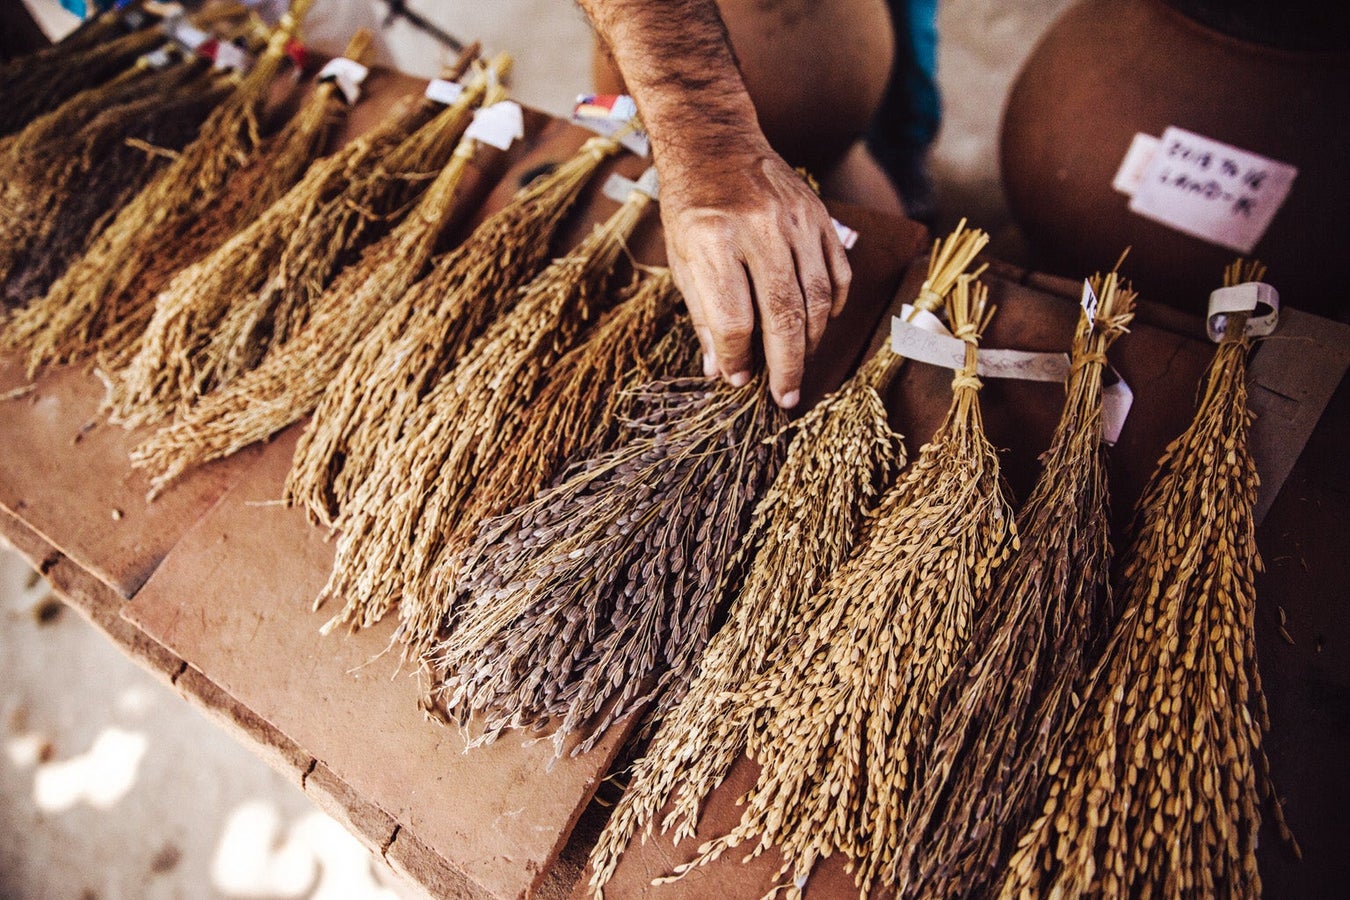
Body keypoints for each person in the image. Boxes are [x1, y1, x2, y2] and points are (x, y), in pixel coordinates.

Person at [583, 0, 922, 410]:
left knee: (908, 97)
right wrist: (705, 133)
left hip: (838, 81)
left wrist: (712, 139)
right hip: (661, 81)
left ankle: (906, 151)